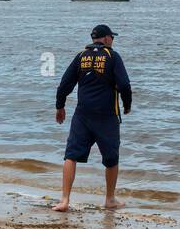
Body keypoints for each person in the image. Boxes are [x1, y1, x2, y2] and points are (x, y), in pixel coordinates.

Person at [53, 24, 131, 212]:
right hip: (107, 116)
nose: (112, 40)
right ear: (105, 39)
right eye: (111, 37)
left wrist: (60, 106)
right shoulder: (113, 56)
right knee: (111, 158)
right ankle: (110, 199)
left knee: (71, 155)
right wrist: (127, 105)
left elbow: (64, 84)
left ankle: (64, 200)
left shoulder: (81, 56)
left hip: (82, 115)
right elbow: (124, 85)